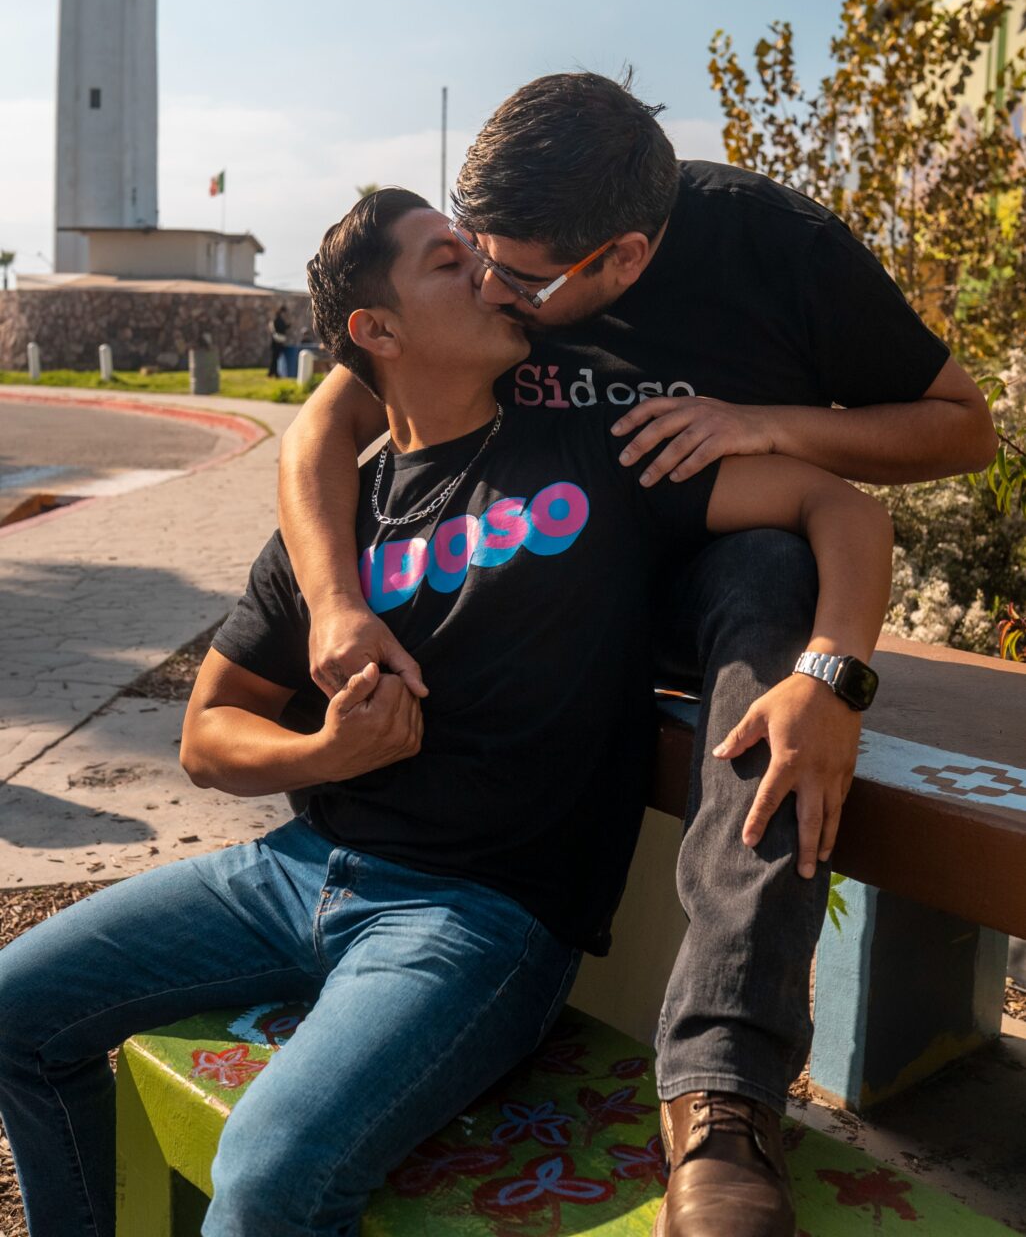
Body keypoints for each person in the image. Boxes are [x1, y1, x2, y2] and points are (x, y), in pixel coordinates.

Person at [0, 191, 895, 1237]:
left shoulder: (596, 449)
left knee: (269, 1173)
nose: (485, 269)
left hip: (474, 919)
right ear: (375, 332)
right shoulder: (340, 522)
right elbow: (208, 731)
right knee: (16, 1012)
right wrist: (324, 752)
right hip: (286, 874)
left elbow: (839, 508)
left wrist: (829, 676)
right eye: (444, 261)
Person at [275, 77, 998, 1237]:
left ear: (620, 256)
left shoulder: (777, 246)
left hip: (716, 575)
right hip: (557, 582)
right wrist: (328, 605)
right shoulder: (498, 267)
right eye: (475, 257)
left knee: (770, 573)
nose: (490, 290)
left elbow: (964, 425)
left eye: (519, 278)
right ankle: (362, 935)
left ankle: (721, 1092)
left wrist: (773, 436)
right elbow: (326, 426)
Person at [267, 303, 290, 377]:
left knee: (275, 358)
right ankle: (273, 373)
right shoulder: (277, 319)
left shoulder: (278, 319)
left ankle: (273, 373)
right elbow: (279, 328)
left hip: (277, 341)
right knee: (275, 358)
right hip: (277, 342)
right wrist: (286, 326)